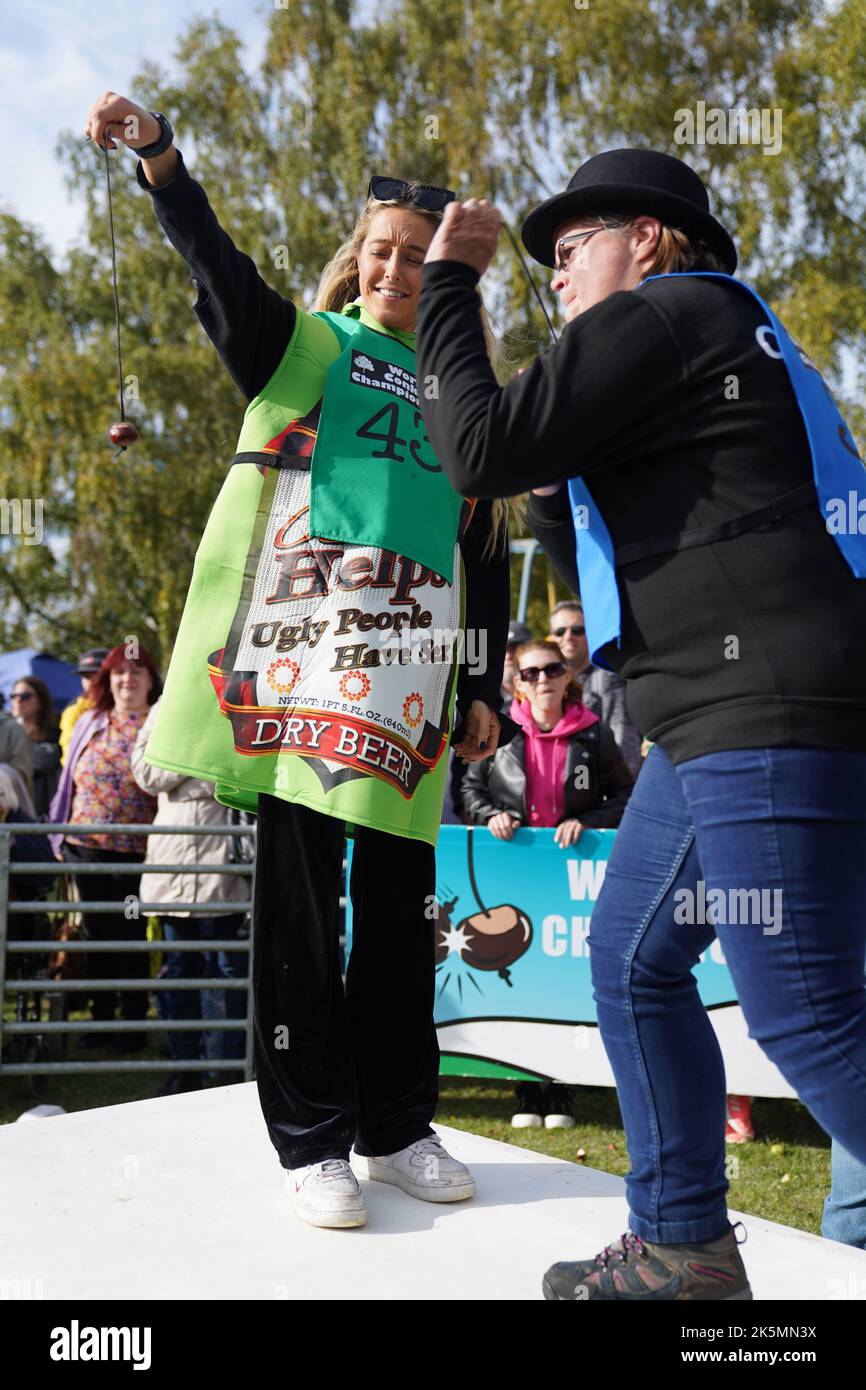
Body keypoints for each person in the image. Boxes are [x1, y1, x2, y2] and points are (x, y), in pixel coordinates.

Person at [415, 147, 866, 1300]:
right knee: (626, 958)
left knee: (806, 1012)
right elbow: (579, 536)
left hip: (755, 705)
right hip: (719, 709)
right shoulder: (716, 338)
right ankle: (681, 1247)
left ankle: (682, 1243)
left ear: (649, 239)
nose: (555, 280)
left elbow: (475, 445)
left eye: (568, 252)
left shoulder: (664, 313)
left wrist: (450, 285)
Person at [83, 92, 514, 1230]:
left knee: (395, 914)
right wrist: (164, 165)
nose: (394, 270)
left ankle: (396, 1123)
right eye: (378, 252)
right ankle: (311, 1136)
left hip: (410, 700)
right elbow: (221, 275)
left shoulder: (459, 389)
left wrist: (478, 688)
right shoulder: (308, 346)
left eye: (418, 258)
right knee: (297, 914)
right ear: (352, 260)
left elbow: (485, 542)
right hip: (295, 687)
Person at [463, 637, 633, 1129]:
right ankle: (525, 1091)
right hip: (515, 871)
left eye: (551, 670)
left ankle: (560, 1093)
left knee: (563, 977)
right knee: (521, 976)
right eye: (531, 672)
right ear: (517, 682)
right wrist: (492, 813)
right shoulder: (498, 731)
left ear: (566, 677)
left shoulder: (593, 733)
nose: (542, 679)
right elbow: (470, 787)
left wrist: (591, 821)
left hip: (567, 875)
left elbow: (624, 792)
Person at [131, 698, 250, 1095]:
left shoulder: (246, 693)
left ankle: (234, 1070)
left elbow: (245, 768)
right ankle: (185, 1068)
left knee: (232, 970)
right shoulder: (168, 703)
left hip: (232, 858)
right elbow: (145, 772)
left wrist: (184, 757)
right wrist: (199, 756)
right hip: (175, 860)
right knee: (180, 970)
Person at [49, 645, 162, 1051]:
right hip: (86, 848)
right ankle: (100, 1021)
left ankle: (132, 1025)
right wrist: (57, 834)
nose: (127, 679)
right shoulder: (90, 721)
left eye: (136, 672)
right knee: (95, 934)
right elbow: (67, 782)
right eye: (119, 673)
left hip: (136, 852)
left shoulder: (160, 724)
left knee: (128, 933)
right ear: (107, 681)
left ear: (151, 681)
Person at [547, 600, 642, 775]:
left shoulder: (609, 677)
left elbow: (623, 737)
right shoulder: (545, 679)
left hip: (600, 784)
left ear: (590, 633)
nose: (568, 637)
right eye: (560, 632)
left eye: (577, 630)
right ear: (552, 638)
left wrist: (619, 792)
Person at [11, 676, 62, 817]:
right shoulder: (6, 736)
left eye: (25, 696)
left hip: (48, 813)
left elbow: (42, 762)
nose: (18, 700)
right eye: (13, 696)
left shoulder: (56, 735)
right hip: (14, 811)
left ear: (41, 701)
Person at [59, 649, 110, 763]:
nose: (91, 682)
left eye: (96, 675)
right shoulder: (73, 710)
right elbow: (70, 756)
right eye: (86, 676)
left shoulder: (127, 704)